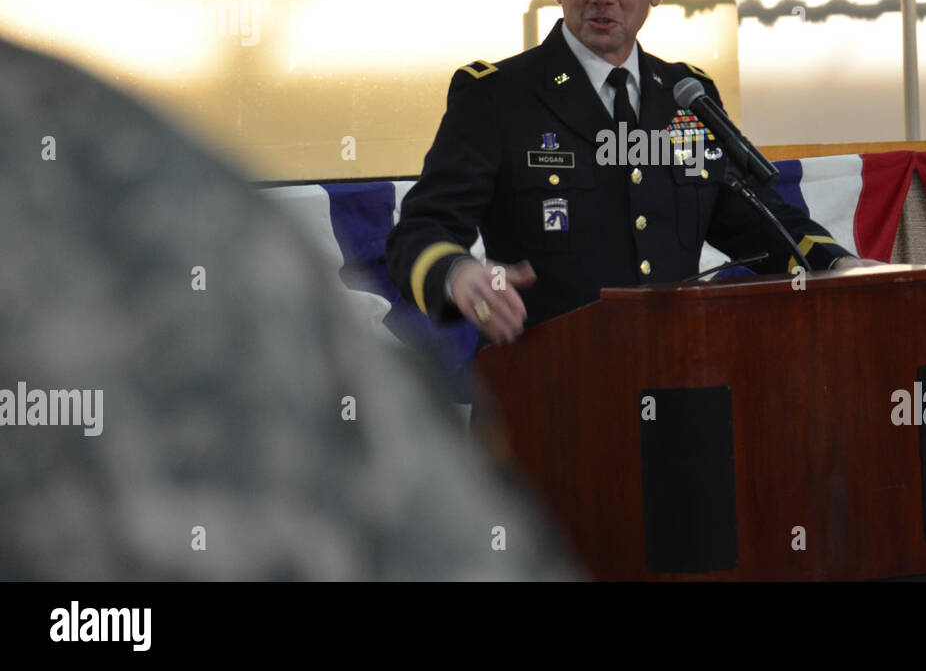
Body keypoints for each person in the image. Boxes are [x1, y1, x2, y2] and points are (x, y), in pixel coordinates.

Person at [0, 34, 576, 580]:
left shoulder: (667, 101)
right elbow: (422, 236)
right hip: (546, 407)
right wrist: (453, 272)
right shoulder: (92, 151)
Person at [387, 0, 863, 348]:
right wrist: (455, 273)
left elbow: (757, 219)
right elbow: (421, 230)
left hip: (680, 382)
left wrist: (840, 263)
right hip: (547, 395)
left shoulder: (686, 98)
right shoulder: (496, 97)